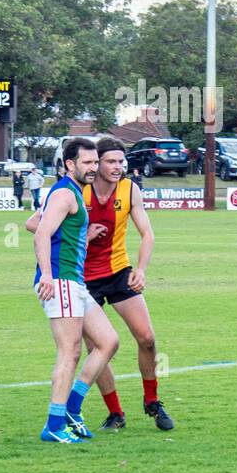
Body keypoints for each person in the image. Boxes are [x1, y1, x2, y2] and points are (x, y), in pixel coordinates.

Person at [71, 137, 172, 431]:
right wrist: (84, 233)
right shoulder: (79, 191)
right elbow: (40, 224)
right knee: (99, 350)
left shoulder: (130, 190)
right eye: (110, 162)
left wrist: (140, 269)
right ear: (96, 163)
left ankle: (152, 401)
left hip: (117, 273)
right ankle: (116, 413)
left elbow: (148, 235)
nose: (117, 167)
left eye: (120, 162)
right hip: (83, 280)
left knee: (147, 338)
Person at [29, 137, 120, 443]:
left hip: (74, 282)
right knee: (70, 351)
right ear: (70, 164)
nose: (94, 168)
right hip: (62, 281)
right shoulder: (66, 194)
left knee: (108, 342)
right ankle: (54, 425)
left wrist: (80, 233)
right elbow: (40, 233)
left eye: (96, 162)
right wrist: (48, 275)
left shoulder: (70, 194)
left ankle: (72, 406)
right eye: (88, 163)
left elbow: (33, 222)